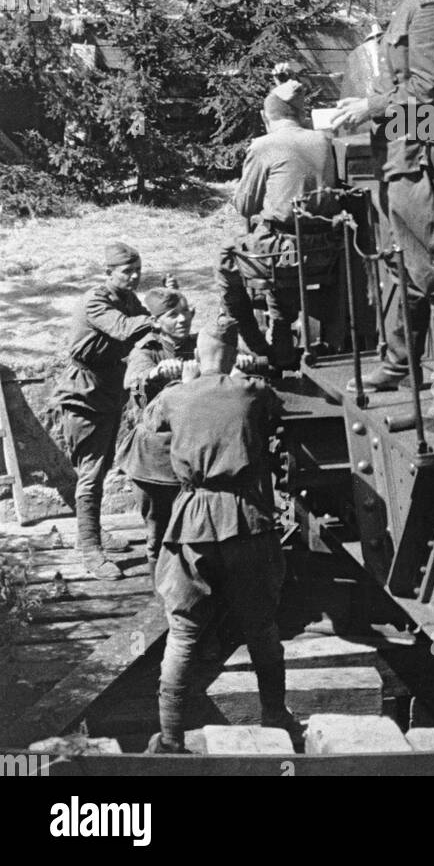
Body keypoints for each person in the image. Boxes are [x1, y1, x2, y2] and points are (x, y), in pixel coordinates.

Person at [331, 0, 434, 419]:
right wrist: (368, 103)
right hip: (399, 157)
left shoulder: (427, 8)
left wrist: (370, 108)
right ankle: (399, 362)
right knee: (403, 267)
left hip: (417, 158)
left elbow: (431, 91)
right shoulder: (408, 7)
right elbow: (403, 85)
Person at [147, 319, 289, 754]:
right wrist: (244, 373)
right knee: (262, 626)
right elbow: (276, 409)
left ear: (197, 356)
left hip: (193, 522)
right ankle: (275, 718)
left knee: (185, 632)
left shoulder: (173, 396)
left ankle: (171, 739)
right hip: (247, 520)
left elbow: (149, 422)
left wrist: (181, 381)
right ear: (232, 355)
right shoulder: (251, 390)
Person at [52, 242, 156, 578]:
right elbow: (126, 329)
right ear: (107, 272)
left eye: (138, 269)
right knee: (91, 473)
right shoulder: (97, 300)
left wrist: (159, 309)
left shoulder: (127, 299)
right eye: (127, 271)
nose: (135, 276)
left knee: (102, 466)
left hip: (108, 388)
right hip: (83, 392)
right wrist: (159, 314)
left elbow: (142, 328)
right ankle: (89, 549)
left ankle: (92, 531)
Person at [218, 80, 339, 367]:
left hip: (281, 252)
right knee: (275, 265)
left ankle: (257, 345)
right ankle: (282, 332)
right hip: (325, 250)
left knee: (226, 259)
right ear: (301, 115)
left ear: (264, 117)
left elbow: (245, 206)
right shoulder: (323, 140)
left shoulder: (263, 145)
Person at [117, 287, 198, 578]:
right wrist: (156, 374)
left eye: (185, 312)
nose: (181, 320)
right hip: (155, 461)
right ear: (156, 322)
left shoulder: (198, 345)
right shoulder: (147, 350)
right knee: (158, 531)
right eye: (172, 315)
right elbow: (134, 380)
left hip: (191, 453)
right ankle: (161, 592)